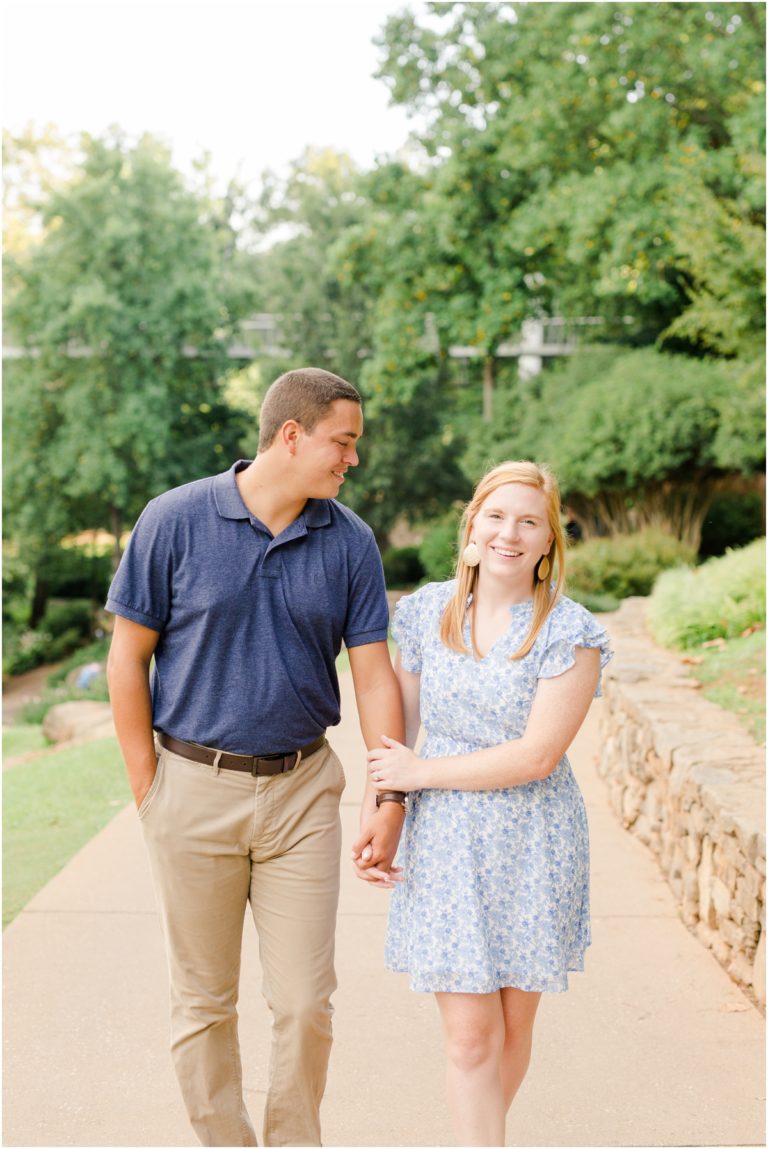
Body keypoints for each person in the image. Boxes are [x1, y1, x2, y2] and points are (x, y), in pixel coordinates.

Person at [105, 367, 405, 1148]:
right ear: (292, 434)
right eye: (344, 442)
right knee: (203, 1002)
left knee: (305, 1001)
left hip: (303, 790)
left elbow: (373, 675)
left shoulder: (349, 541)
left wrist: (388, 793)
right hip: (191, 789)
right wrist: (150, 786)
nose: (353, 460)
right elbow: (126, 657)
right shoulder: (173, 520)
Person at [361, 460, 612, 1147]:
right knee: (471, 1037)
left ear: (548, 540)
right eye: (497, 516)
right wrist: (382, 808)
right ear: (472, 525)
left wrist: (421, 772)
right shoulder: (423, 613)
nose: (510, 532)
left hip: (533, 836)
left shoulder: (569, 631)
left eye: (529, 520)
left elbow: (537, 755)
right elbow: (398, 736)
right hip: (444, 839)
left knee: (511, 1026)